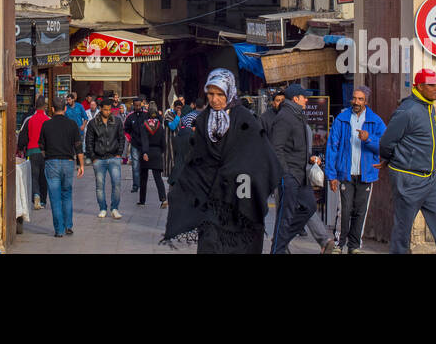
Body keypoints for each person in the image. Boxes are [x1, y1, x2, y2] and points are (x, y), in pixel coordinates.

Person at [163, 69, 281, 253]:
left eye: (220, 94)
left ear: (230, 92)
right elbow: (196, 158)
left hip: (241, 196)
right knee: (210, 244)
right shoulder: (203, 121)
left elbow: (260, 156)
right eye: (210, 94)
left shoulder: (245, 119)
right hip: (212, 198)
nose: (214, 99)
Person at [378, 68, 436, 254]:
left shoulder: (429, 107)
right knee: (402, 230)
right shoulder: (407, 110)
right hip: (408, 178)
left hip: (430, 179)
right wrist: (392, 159)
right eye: (431, 85)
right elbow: (386, 143)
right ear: (419, 87)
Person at [268, 83, 336, 254]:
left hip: (301, 175)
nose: (307, 99)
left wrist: (309, 158)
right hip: (290, 175)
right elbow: (277, 148)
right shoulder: (285, 117)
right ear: (296, 99)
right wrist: (285, 174)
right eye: (304, 97)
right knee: (286, 216)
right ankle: (278, 249)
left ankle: (279, 240)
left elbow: (295, 146)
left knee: (309, 207)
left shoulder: (297, 116)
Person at [326, 85, 386, 254]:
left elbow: (385, 145)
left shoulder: (376, 121)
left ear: (366, 101)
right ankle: (339, 243)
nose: (356, 102)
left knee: (360, 211)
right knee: (344, 210)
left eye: (360, 99)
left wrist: (369, 139)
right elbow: (332, 147)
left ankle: (354, 246)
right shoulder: (342, 119)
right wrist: (331, 175)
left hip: (366, 175)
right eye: (354, 98)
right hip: (345, 173)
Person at [38, 101, 85, 237]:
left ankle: (59, 230)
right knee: (67, 194)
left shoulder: (46, 125)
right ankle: (68, 225)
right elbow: (78, 147)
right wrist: (81, 165)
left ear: (52, 109)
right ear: (65, 108)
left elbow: (41, 146)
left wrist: (46, 158)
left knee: (55, 197)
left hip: (52, 162)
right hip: (68, 162)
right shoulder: (72, 124)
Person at [83, 98, 125, 219]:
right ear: (100, 109)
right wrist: (93, 157)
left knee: (116, 184)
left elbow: (121, 138)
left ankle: (114, 208)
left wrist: (119, 153)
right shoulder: (93, 123)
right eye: (105, 109)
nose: (107, 112)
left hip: (114, 157)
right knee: (100, 186)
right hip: (99, 159)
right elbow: (89, 140)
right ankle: (102, 208)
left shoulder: (117, 121)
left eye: (109, 110)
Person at [16, 102, 50, 210]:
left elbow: (22, 136)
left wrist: (21, 148)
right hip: (45, 153)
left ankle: (36, 195)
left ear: (35, 107)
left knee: (34, 176)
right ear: (45, 108)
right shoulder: (48, 120)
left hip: (32, 152)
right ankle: (43, 201)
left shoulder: (29, 119)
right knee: (43, 177)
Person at [138, 102, 169, 207]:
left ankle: (142, 200)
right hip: (157, 152)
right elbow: (163, 143)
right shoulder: (160, 126)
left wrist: (145, 152)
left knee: (143, 177)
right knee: (158, 178)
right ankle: (163, 199)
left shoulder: (144, 125)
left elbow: (144, 140)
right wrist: (161, 151)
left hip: (146, 152)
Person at [124, 97, 148, 191]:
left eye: (139, 105)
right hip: (134, 144)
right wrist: (130, 139)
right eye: (136, 105)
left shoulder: (146, 114)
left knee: (145, 165)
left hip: (145, 144)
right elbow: (125, 129)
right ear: (133, 105)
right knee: (135, 165)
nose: (138, 107)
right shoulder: (130, 116)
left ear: (141, 104)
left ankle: (143, 184)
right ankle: (135, 185)